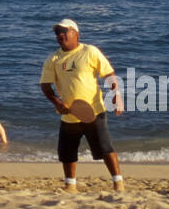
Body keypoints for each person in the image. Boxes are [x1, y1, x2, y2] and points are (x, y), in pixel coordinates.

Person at [39, 18, 124, 193]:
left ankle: (118, 183)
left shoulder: (90, 51)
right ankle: (70, 186)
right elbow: (45, 86)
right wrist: (57, 102)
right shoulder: (53, 59)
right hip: (69, 114)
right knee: (67, 152)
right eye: (57, 33)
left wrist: (116, 94)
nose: (60, 35)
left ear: (76, 34)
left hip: (94, 111)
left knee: (105, 148)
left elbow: (108, 74)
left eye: (64, 31)